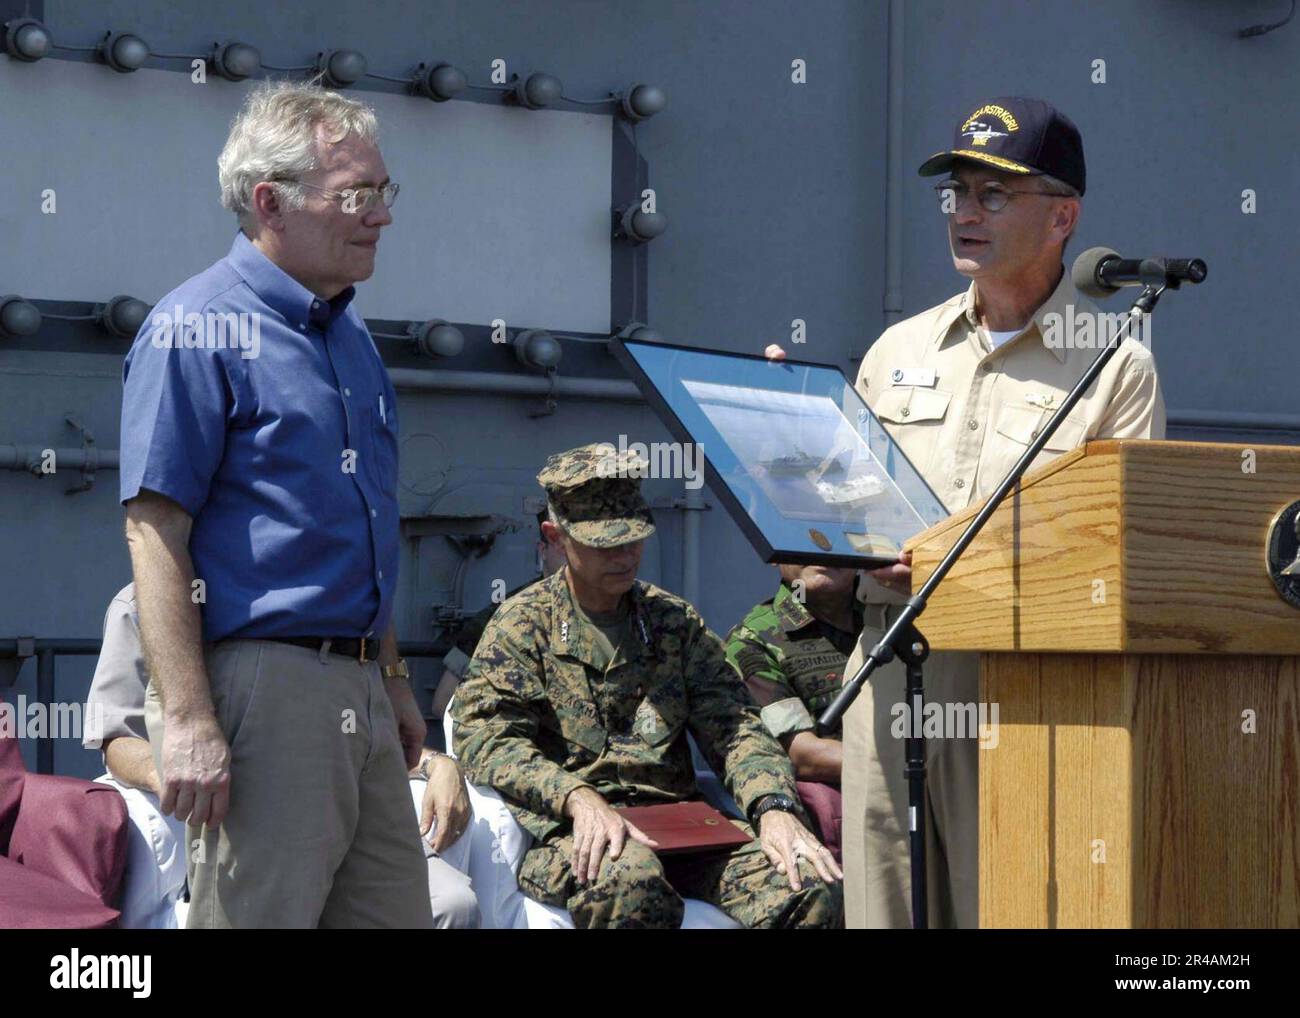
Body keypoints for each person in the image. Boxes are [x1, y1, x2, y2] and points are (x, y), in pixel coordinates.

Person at [768, 96, 1164, 928]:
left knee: (1011, 907)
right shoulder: (897, 351)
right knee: (885, 909)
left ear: (1063, 216)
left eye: (993, 194)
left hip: (1019, 685)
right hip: (883, 667)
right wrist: (786, 442)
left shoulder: (1115, 366)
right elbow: (839, 527)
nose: (966, 214)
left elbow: (1116, 556)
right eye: (957, 194)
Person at [119, 80, 469, 928]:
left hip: (358, 686)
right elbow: (155, 527)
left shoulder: (349, 339)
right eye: (357, 194)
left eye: (385, 191)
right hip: (263, 690)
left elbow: (364, 527)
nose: (381, 214)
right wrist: (193, 720)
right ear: (271, 201)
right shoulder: (194, 327)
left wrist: (390, 677)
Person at [452, 444, 844, 928]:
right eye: (605, 544)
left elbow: (735, 728)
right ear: (558, 536)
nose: (624, 556)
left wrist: (773, 806)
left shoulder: (673, 621)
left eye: (634, 539)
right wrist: (576, 797)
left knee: (805, 885)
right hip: (579, 834)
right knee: (631, 885)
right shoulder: (522, 625)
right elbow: (485, 737)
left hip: (682, 829)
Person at [83, 583, 479, 928]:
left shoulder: (317, 604)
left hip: (339, 796)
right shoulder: (144, 600)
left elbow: (351, 725)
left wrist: (434, 762)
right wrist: (182, 776)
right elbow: (116, 737)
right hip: (233, 813)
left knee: (450, 906)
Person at [723, 564, 860, 861]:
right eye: (803, 534)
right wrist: (902, 763)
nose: (820, 548)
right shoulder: (756, 638)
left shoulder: (897, 613)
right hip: (854, 805)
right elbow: (801, 753)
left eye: (833, 532)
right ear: (775, 556)